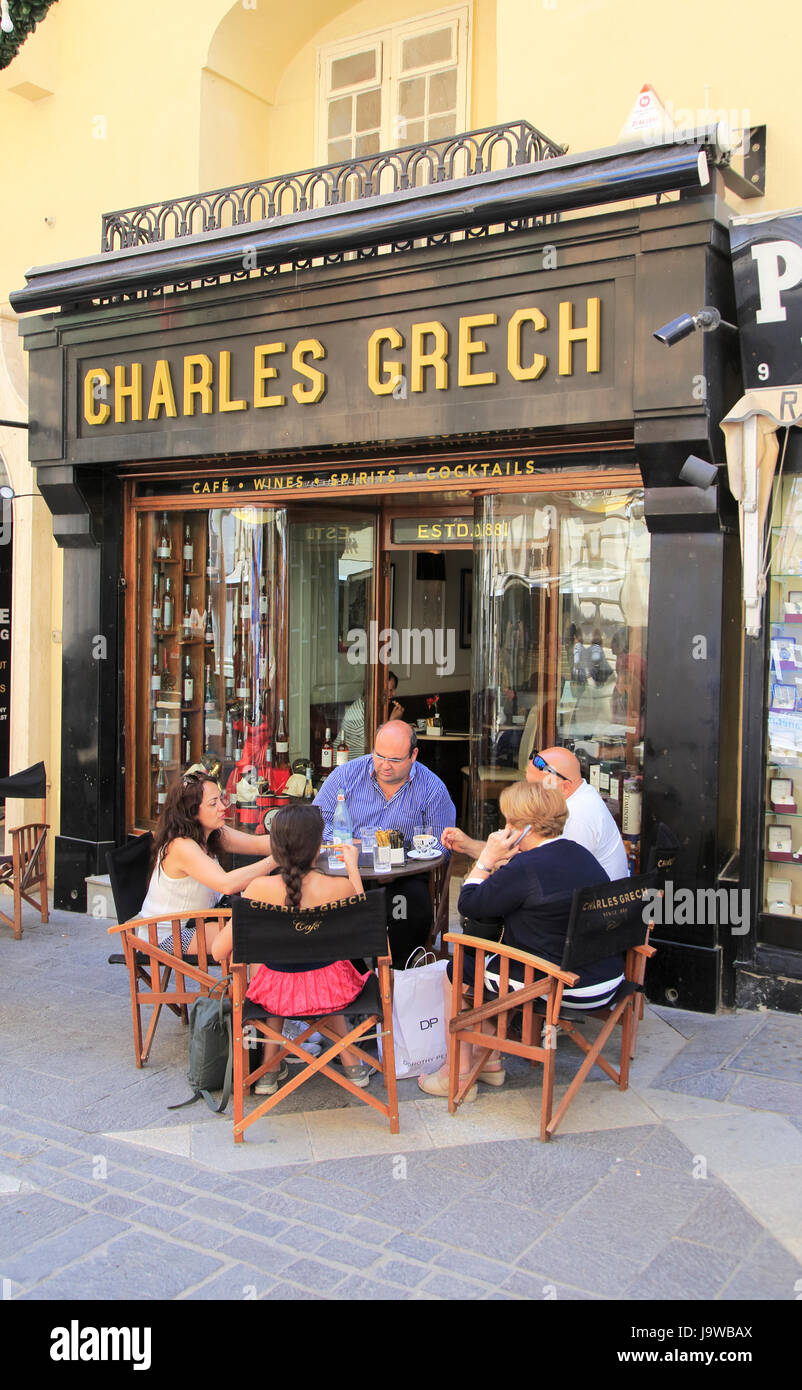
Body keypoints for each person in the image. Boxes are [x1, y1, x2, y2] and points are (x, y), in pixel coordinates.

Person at [419, 780, 623, 1101]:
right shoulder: (579, 853)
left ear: (522, 828)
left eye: (507, 821)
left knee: (457, 969)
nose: (503, 827)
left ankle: (455, 1075)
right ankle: (490, 1063)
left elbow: (470, 904)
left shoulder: (527, 867)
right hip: (607, 980)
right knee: (492, 963)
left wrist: (486, 859)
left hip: (561, 986)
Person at [212, 804, 372, 1094]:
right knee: (324, 969)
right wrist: (353, 871)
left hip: (275, 993)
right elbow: (367, 932)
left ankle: (268, 1072)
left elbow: (217, 951)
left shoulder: (258, 888)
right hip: (333, 990)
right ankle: (353, 1065)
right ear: (316, 848)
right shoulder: (338, 887)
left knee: (279, 972)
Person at [314, 720, 456, 965]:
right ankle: (354, 972)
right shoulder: (347, 775)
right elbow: (315, 823)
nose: (385, 766)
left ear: (413, 755)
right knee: (330, 905)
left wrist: (402, 860)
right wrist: (348, 843)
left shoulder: (432, 789)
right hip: (346, 871)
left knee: (410, 906)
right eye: (379, 756)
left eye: (395, 760)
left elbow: (443, 845)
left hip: (402, 875)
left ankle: (402, 969)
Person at [442, 744, 628, 881]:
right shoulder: (577, 794)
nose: (530, 795)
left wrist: (485, 864)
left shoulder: (575, 817)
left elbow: (535, 870)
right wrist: (468, 845)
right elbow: (524, 858)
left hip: (587, 920)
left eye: (536, 789)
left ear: (564, 787)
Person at [139, 771, 274, 955]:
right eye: (213, 803)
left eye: (221, 799)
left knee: (257, 921)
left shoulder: (212, 832)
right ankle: (250, 984)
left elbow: (258, 845)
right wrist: (275, 860)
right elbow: (226, 884)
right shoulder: (180, 845)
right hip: (166, 935)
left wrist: (300, 842)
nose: (222, 807)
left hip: (200, 920)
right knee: (249, 932)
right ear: (192, 812)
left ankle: (247, 984)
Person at [337, 670, 404, 758]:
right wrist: (392, 721)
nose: (393, 694)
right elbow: (378, 744)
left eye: (393, 690)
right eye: (390, 690)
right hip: (348, 764)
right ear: (377, 690)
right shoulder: (358, 712)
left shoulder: (372, 707)